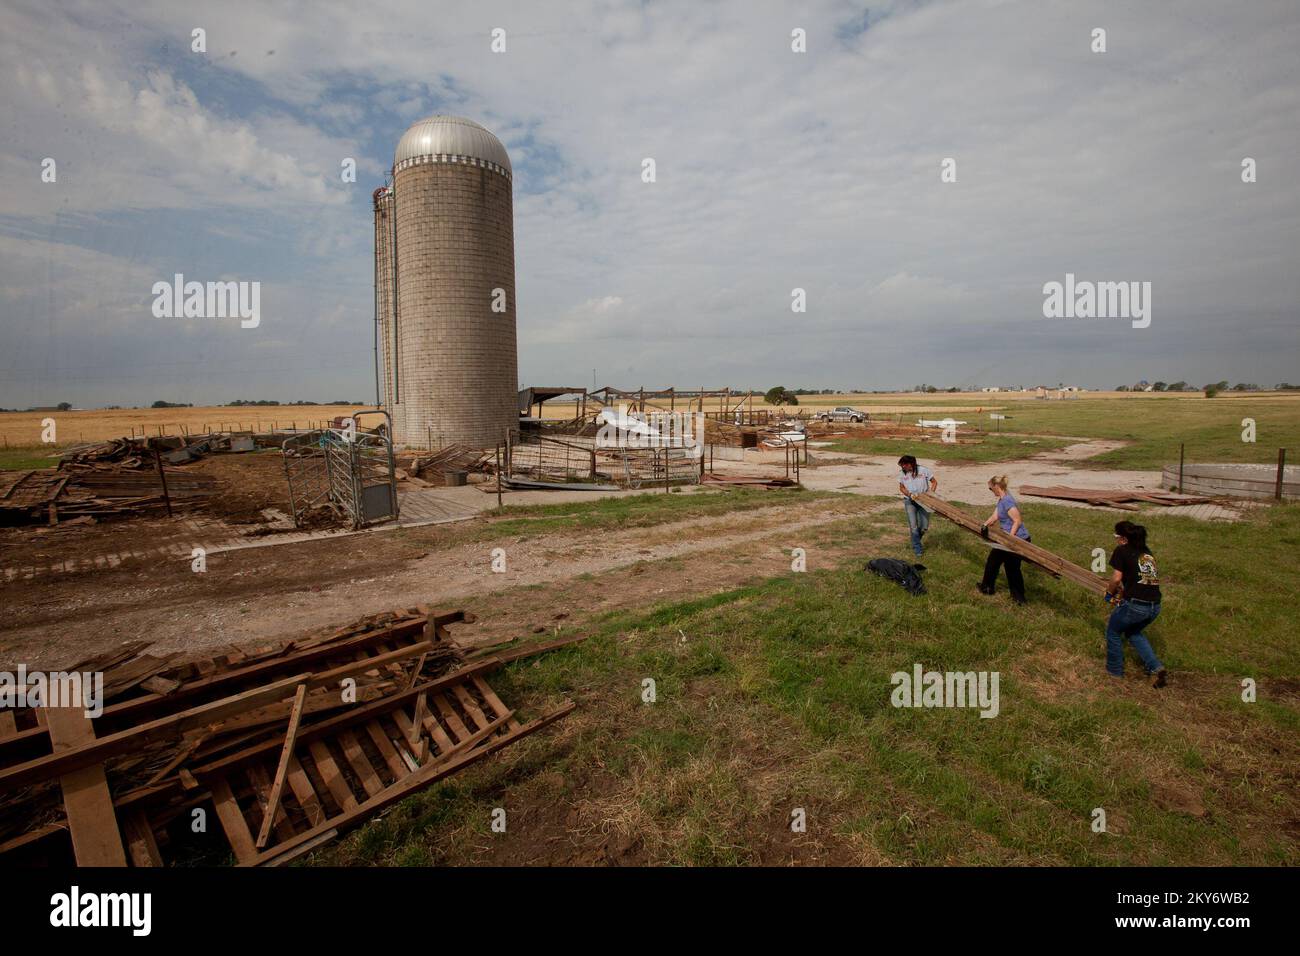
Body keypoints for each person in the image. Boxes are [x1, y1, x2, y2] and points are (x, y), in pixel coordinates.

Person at [1104, 520, 1167, 688]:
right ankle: (1155, 667)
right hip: (1155, 606)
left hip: (1136, 605)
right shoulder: (1146, 552)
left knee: (1113, 631)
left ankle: (1114, 672)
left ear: (1123, 538)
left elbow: (1116, 578)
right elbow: (1139, 578)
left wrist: (1109, 594)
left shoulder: (1121, 550)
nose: (1116, 540)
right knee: (1133, 632)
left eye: (1116, 536)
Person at [977, 475, 1029, 604]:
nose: (990, 491)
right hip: (1009, 538)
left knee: (1011, 567)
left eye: (990, 488)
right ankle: (988, 587)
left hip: (1018, 539)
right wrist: (985, 525)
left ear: (997, 487)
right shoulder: (1001, 500)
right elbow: (995, 516)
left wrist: (1009, 539)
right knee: (993, 562)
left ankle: (1019, 598)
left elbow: (1017, 521)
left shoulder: (1007, 501)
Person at [896, 455, 937, 556]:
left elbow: (934, 482)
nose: (903, 467)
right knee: (913, 526)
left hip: (924, 502)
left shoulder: (923, 470)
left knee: (924, 527)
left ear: (911, 464)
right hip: (910, 502)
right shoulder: (902, 473)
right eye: (902, 465)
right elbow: (901, 488)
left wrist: (930, 495)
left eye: (904, 465)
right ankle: (917, 549)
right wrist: (909, 494)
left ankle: (915, 539)